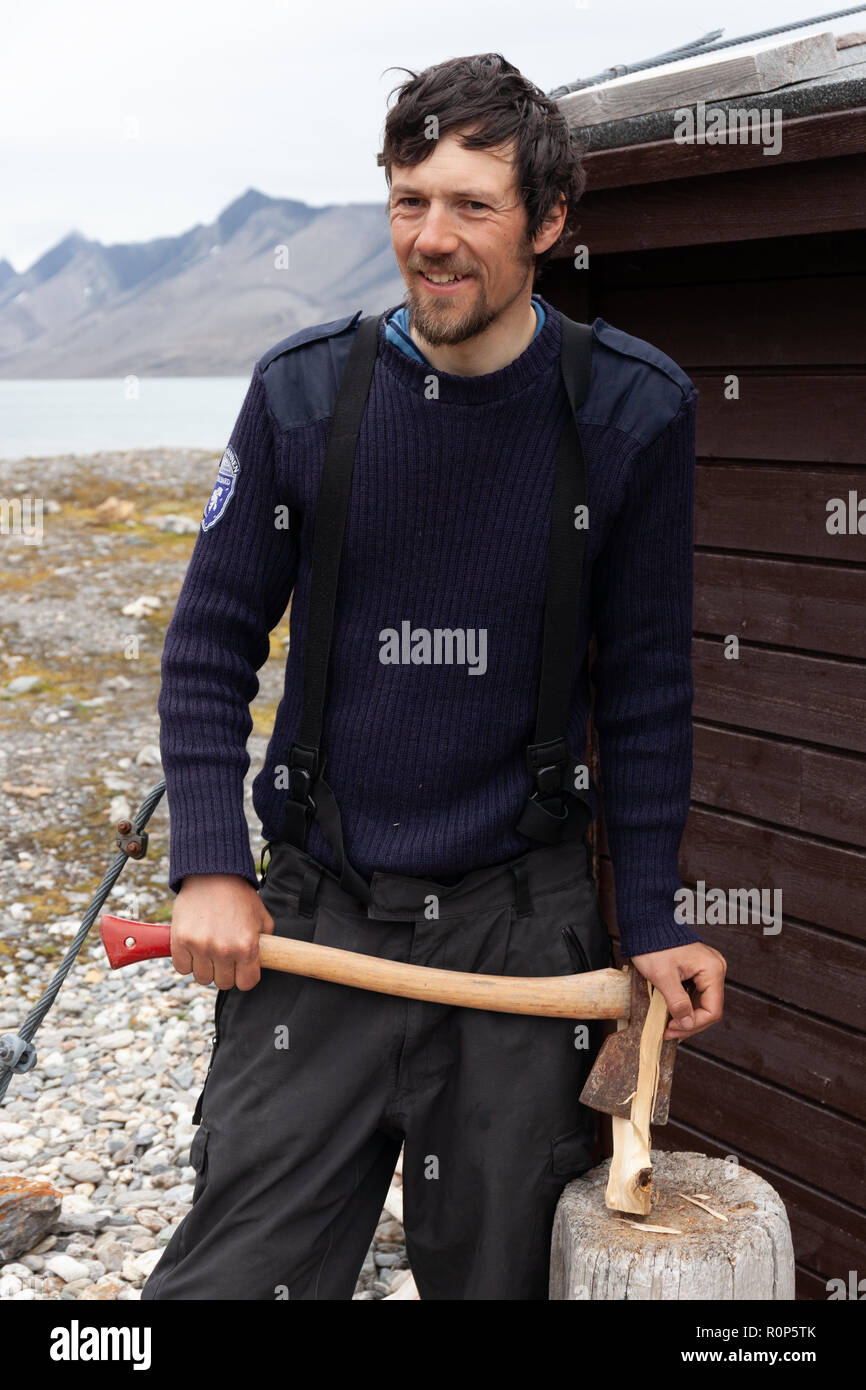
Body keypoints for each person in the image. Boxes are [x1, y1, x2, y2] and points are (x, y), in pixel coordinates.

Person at [141, 52, 725, 1302]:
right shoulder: (300, 395)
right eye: (410, 200)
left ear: (549, 223)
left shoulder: (631, 411)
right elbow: (206, 648)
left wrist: (660, 920)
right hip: (319, 912)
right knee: (229, 1284)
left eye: (471, 206)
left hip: (522, 930)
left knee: (502, 1279)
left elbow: (642, 688)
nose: (431, 238)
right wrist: (208, 865)